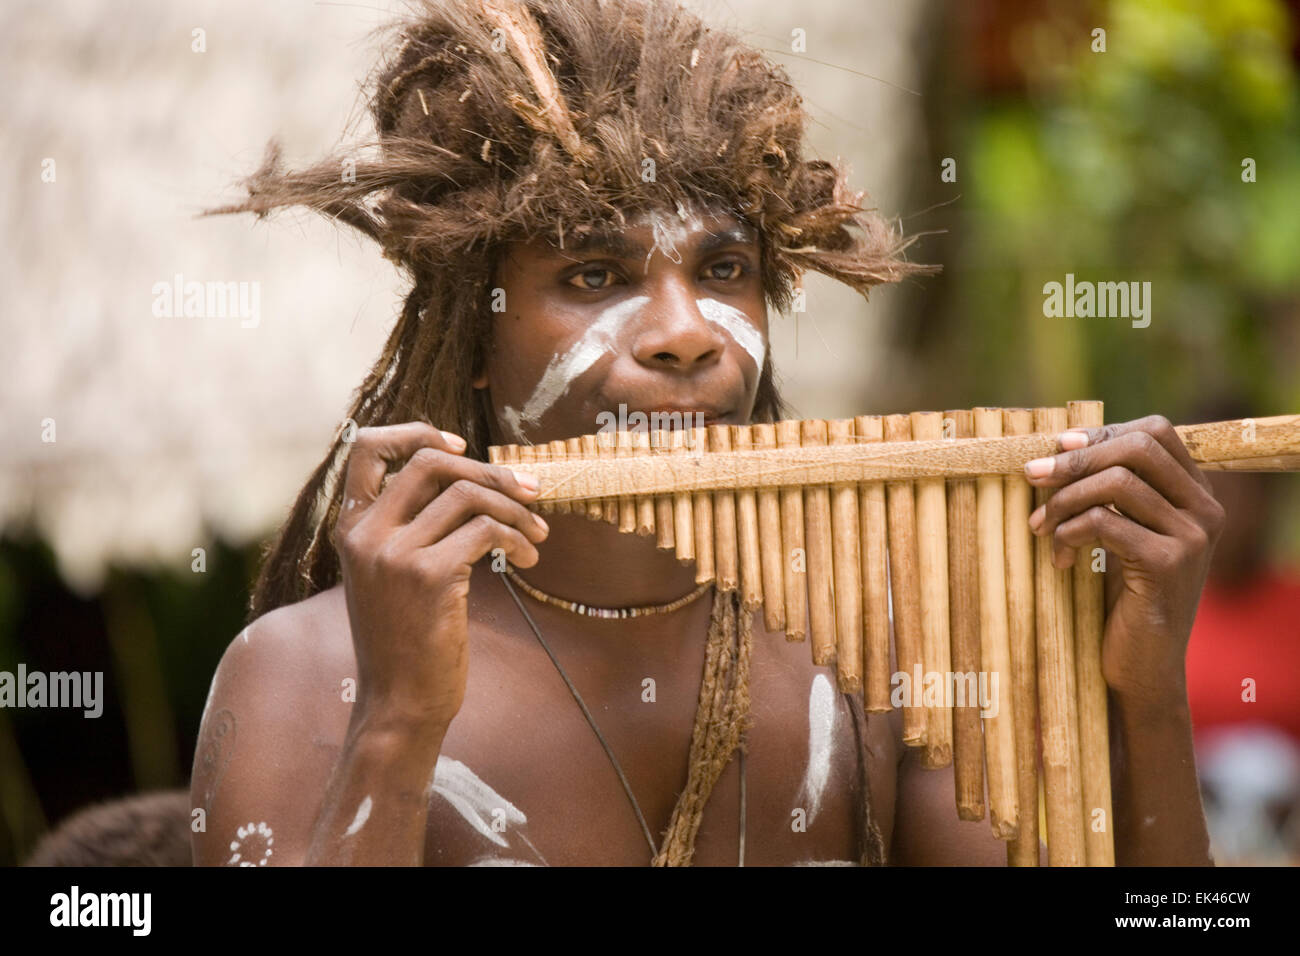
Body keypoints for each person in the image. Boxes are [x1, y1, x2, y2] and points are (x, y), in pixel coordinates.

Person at [191, 0, 1223, 866]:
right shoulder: (305, 671)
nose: (685, 333)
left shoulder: (899, 650)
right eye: (593, 274)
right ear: (475, 333)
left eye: (723, 270)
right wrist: (400, 719)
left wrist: (1147, 701)